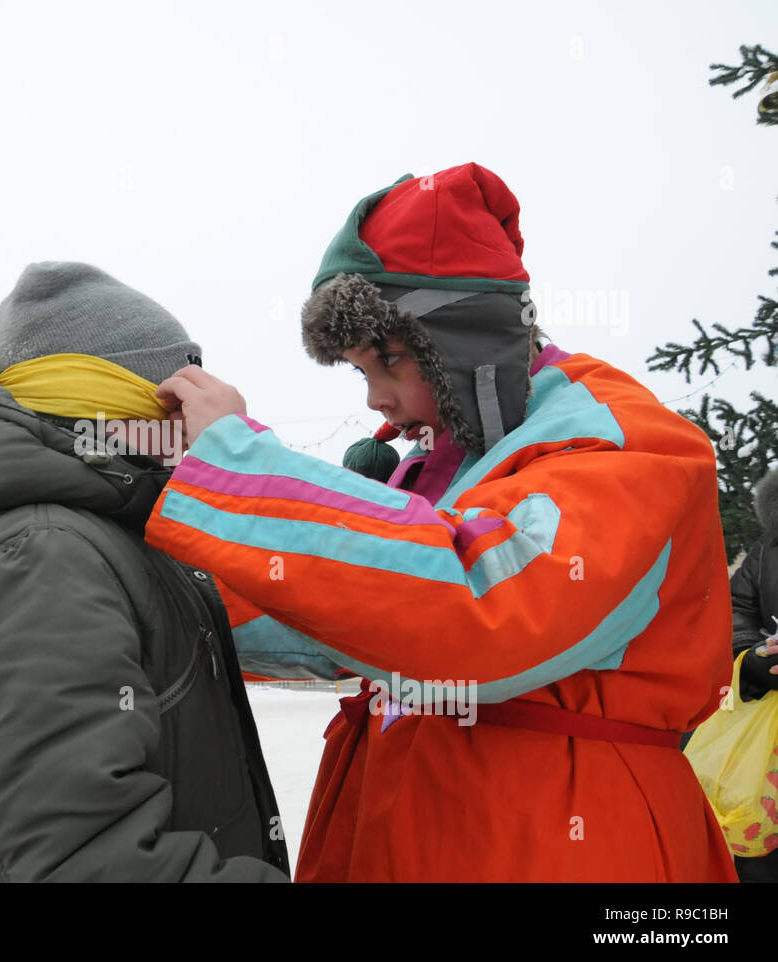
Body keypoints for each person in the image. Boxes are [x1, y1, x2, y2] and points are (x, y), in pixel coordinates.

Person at [145, 162, 737, 881]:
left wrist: (241, 467)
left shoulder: (625, 443)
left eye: (389, 362)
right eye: (361, 372)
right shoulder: (454, 461)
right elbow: (340, 619)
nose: (377, 402)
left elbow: (476, 609)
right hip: (418, 828)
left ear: (463, 342)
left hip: (561, 843)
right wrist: (148, 580)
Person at [0, 262, 289, 881]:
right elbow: (84, 860)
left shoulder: (93, 544)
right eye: (180, 396)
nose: (193, 431)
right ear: (121, 400)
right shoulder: (36, 558)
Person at [728, 465, 778, 882]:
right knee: (760, 856)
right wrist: (754, 656)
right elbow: (738, 609)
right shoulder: (770, 546)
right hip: (770, 739)